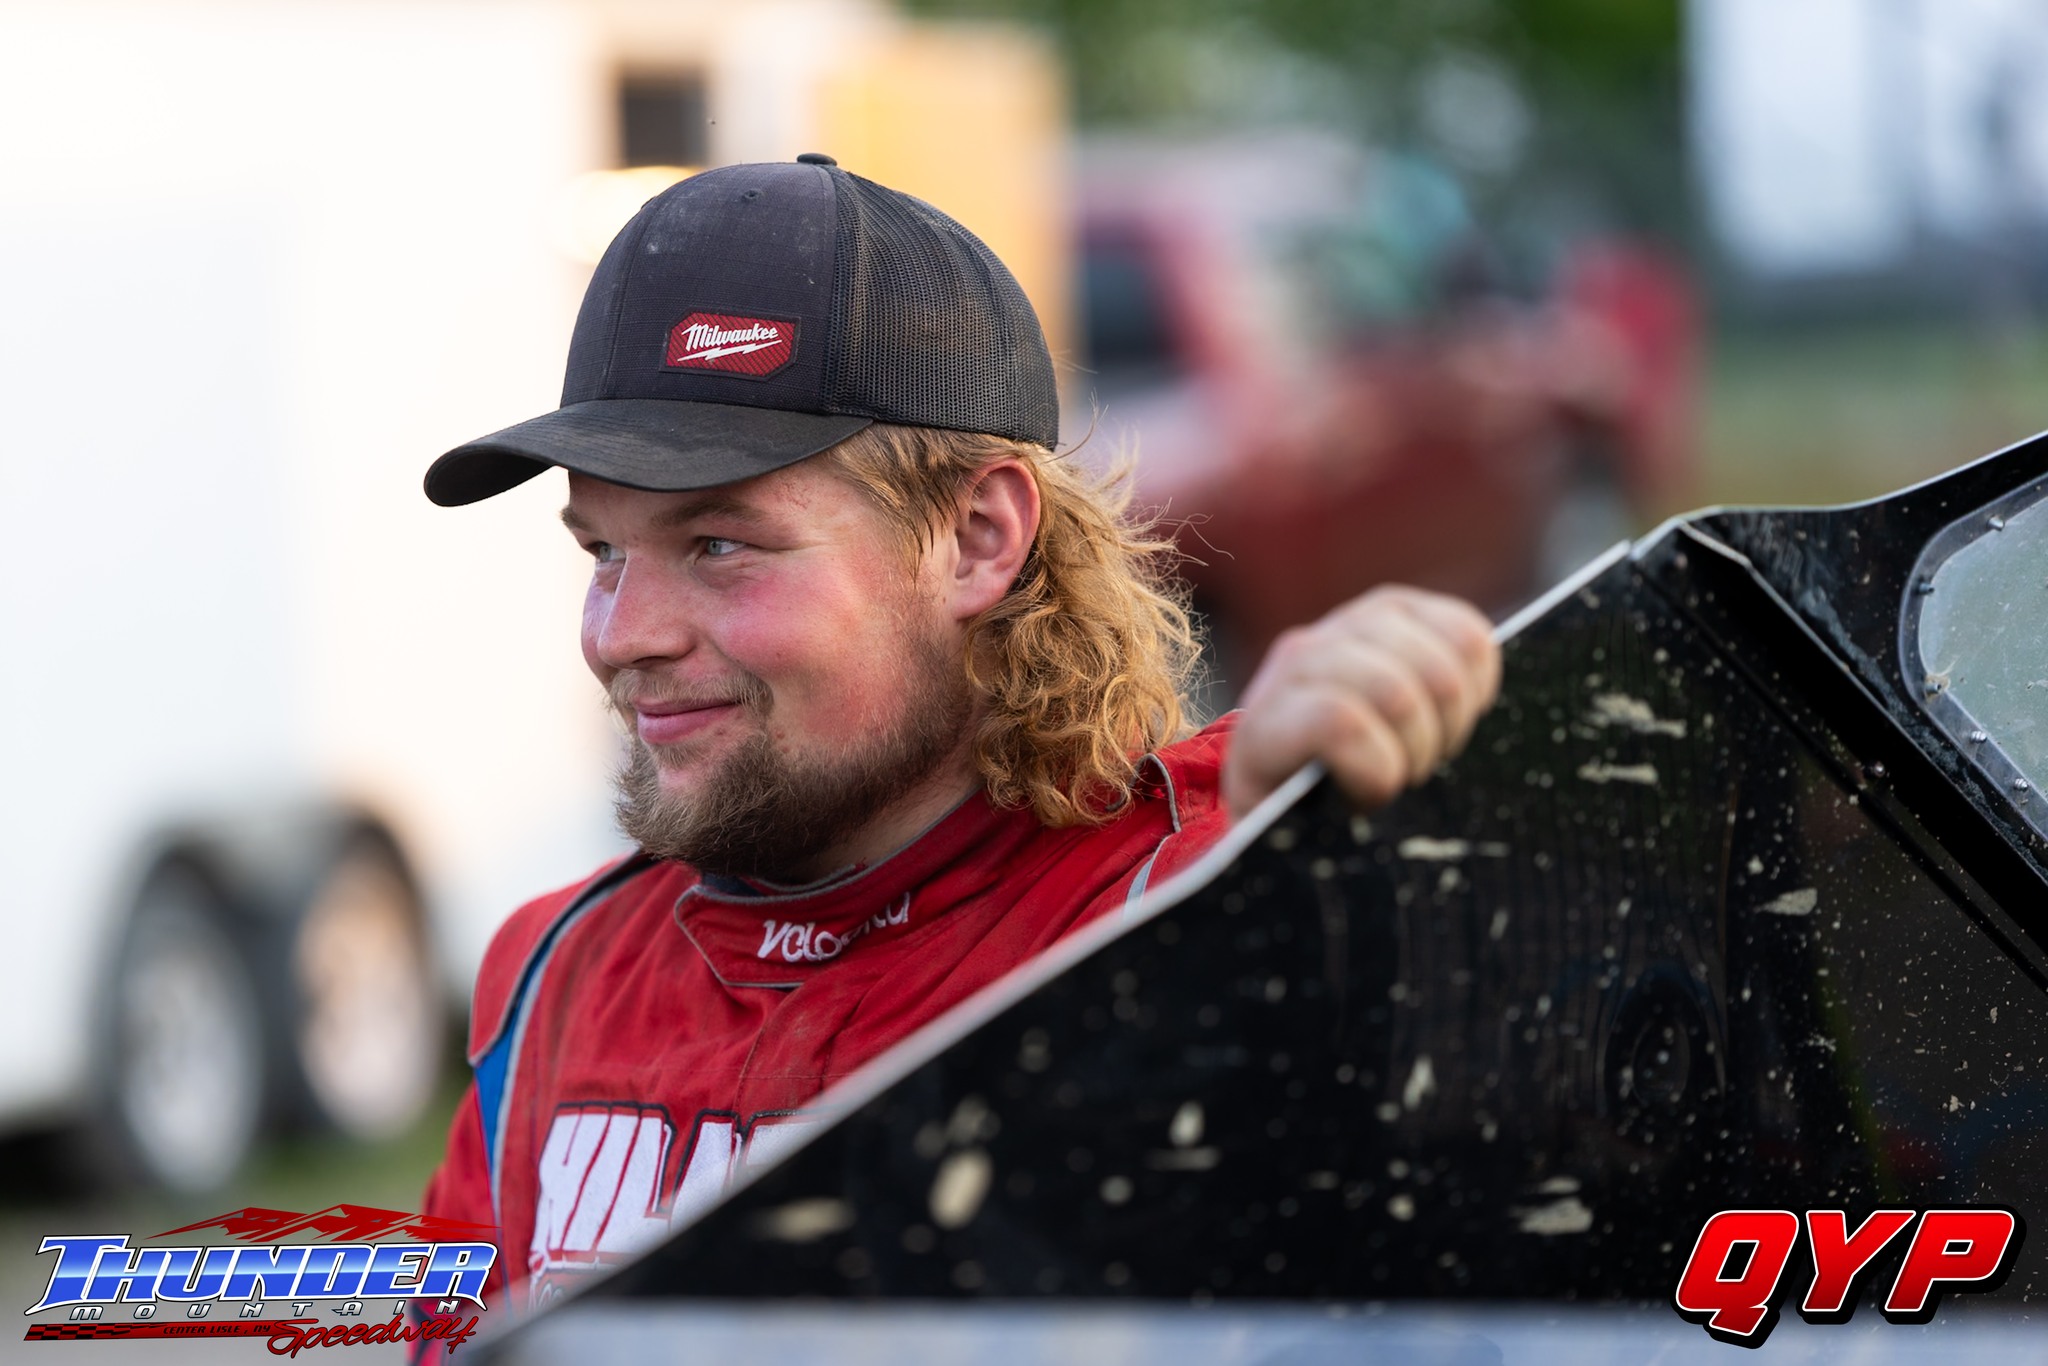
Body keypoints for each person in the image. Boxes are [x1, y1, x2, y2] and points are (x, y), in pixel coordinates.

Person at [417, 154, 1500, 1309]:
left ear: (978, 537)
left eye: (718, 543)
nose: (622, 634)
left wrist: (1295, 894)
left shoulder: (1172, 910)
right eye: (602, 553)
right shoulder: (550, 976)